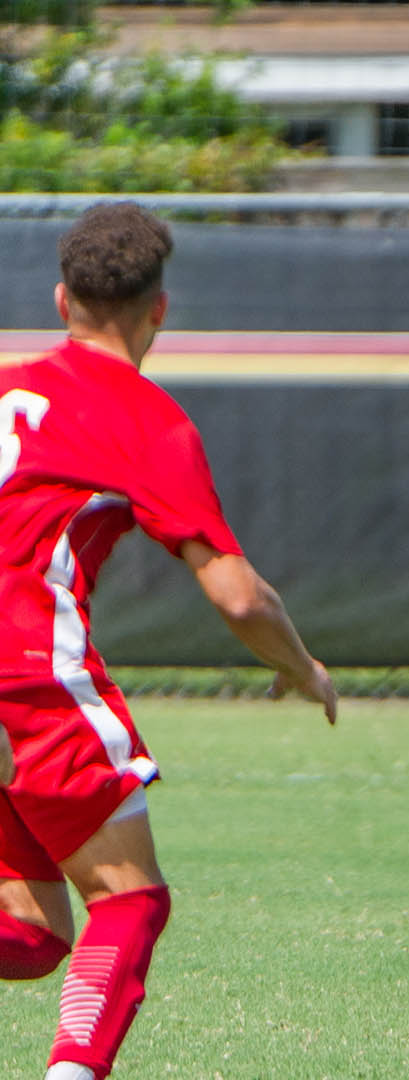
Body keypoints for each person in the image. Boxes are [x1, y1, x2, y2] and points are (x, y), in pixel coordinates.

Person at [0, 202, 337, 1080]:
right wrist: (300, 666)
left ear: (61, 298)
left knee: (34, 933)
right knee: (130, 901)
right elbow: (237, 593)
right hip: (25, 672)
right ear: (160, 309)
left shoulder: (7, 387)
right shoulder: (146, 420)